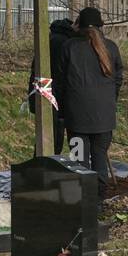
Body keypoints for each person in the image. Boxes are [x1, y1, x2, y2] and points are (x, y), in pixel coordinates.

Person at [55, 7, 123, 198]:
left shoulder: (69, 47)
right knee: (99, 157)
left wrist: (61, 110)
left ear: (80, 26)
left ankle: (83, 200)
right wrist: (110, 101)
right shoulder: (111, 47)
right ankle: (99, 198)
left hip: (77, 118)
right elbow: (118, 79)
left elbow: (60, 82)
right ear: (101, 25)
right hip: (104, 117)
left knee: (79, 160)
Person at [28, 17, 76, 154]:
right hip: (53, 95)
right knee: (54, 137)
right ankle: (48, 168)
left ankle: (40, 167)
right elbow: (62, 74)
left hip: (42, 90)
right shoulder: (66, 44)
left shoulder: (49, 39)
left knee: (45, 138)